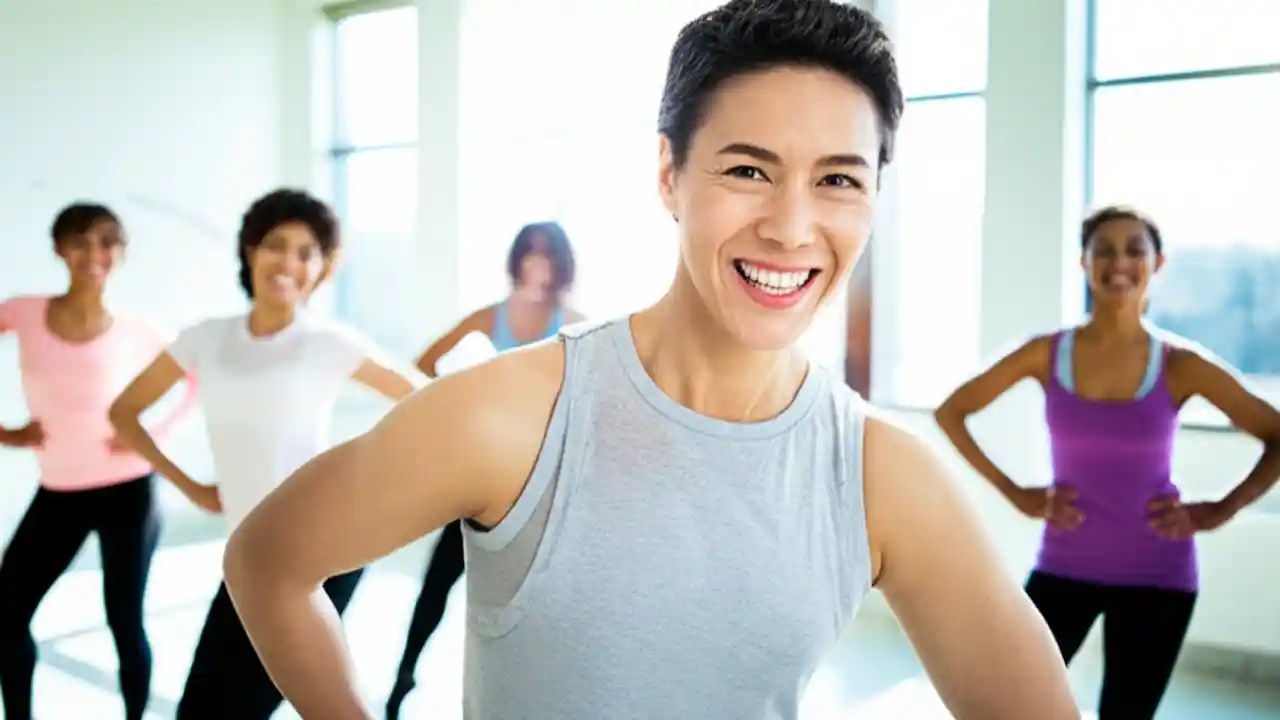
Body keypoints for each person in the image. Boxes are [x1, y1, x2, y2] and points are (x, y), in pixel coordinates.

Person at [223, 2, 1079, 719]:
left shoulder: (883, 475)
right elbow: (267, 562)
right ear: (670, 173)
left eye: (838, 181)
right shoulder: (510, 415)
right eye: (749, 170)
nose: (791, 228)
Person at [935, 205, 1280, 719]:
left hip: (1158, 575)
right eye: (1104, 250)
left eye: (1135, 249)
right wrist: (1016, 493)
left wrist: (1220, 509)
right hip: (1064, 566)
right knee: (1006, 702)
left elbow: (1276, 434)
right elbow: (952, 412)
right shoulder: (1046, 353)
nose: (1119, 262)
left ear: (1157, 263)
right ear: (1084, 262)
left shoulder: (1182, 365)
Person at [108, 189, 424, 719]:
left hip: (322, 550)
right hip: (250, 554)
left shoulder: (330, 342)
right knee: (202, 710)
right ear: (251, 248)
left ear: (322, 269)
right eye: (277, 245)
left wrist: (373, 475)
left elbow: (425, 402)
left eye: (307, 253)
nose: (289, 263)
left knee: (260, 706)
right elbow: (124, 412)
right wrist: (192, 487)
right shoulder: (205, 338)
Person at [0, 203, 194, 720]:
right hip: (59, 492)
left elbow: (193, 380)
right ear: (59, 249)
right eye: (80, 241)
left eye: (107, 242)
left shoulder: (139, 328)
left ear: (121, 253)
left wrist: (148, 435)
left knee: (124, 621)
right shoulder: (21, 312)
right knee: (6, 615)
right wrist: (5, 433)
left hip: (128, 493)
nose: (93, 254)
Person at [385, 221, 583, 719]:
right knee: (438, 582)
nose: (538, 264)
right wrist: (460, 419)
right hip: (482, 479)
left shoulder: (575, 326)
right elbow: (418, 370)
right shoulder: (489, 318)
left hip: (541, 488)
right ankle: (402, 681)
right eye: (530, 253)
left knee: (532, 601)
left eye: (548, 256)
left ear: (562, 266)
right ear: (517, 259)